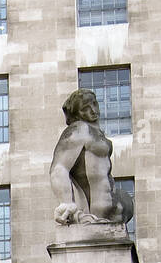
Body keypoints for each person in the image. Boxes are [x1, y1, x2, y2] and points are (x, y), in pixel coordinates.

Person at [49, 88, 134, 226]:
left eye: (94, 104)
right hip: (94, 212)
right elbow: (59, 167)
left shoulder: (96, 133)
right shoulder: (79, 129)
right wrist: (66, 202)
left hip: (112, 210)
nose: (93, 110)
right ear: (77, 114)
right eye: (86, 108)